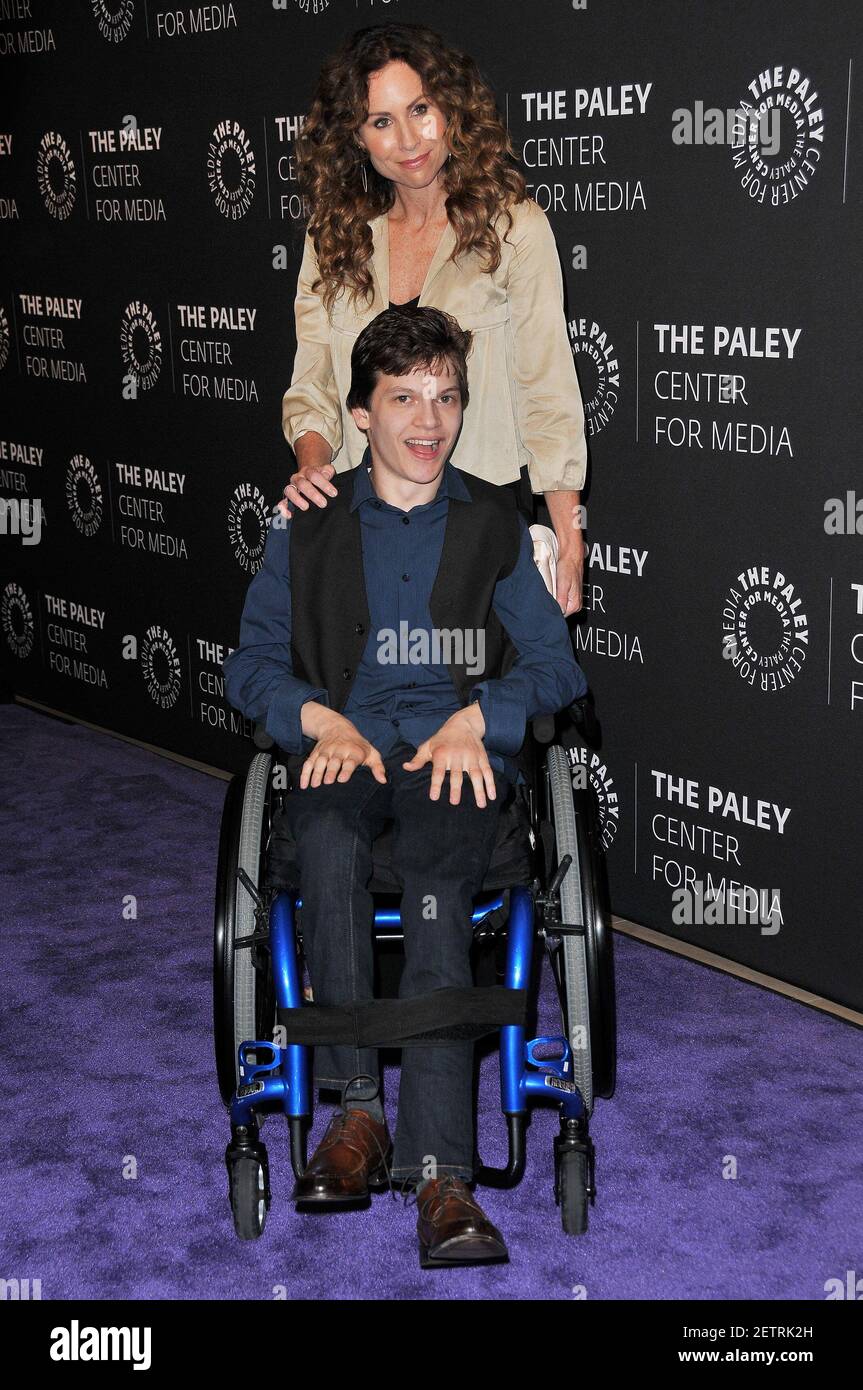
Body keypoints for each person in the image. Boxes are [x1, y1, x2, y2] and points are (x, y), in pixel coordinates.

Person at [223, 306, 586, 1267]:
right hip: (342, 746)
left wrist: (481, 719)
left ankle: (442, 1174)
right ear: (360, 413)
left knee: (434, 868)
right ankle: (354, 1115)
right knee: (331, 846)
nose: (429, 420)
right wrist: (317, 718)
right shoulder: (305, 529)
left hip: (451, 758)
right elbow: (249, 667)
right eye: (403, 398)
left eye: (446, 397)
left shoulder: (493, 528)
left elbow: (557, 669)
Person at [278, 20, 589, 616]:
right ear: (357, 138)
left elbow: (547, 392)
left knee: (474, 702)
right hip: (362, 522)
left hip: (479, 524)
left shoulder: (514, 228)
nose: (408, 139)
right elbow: (313, 380)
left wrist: (568, 538)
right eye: (381, 121)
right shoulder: (334, 239)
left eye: (420, 108)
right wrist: (315, 471)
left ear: (450, 108)